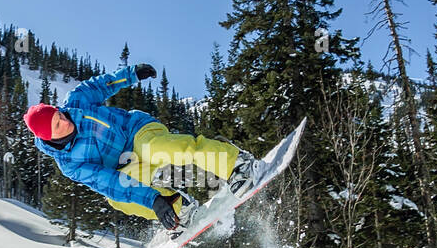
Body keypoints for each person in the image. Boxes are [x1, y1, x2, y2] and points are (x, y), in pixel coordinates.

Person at [24, 63, 263, 236]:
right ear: (49, 138)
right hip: (126, 165)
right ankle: (180, 211)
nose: (64, 121)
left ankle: (237, 163)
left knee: (155, 148)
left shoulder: (76, 102)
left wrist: (131, 75)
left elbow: (102, 85)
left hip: (137, 130)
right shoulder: (70, 164)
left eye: (58, 115)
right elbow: (110, 182)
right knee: (118, 198)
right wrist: (154, 201)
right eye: (57, 125)